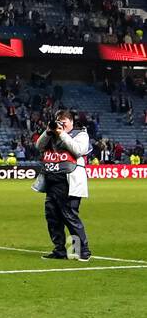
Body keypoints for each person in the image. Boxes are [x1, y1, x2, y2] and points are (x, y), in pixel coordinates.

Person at [35, 110, 91, 261]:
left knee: (70, 217)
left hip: (69, 183)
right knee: (52, 217)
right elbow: (38, 146)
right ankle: (59, 250)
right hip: (52, 182)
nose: (61, 125)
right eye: (59, 122)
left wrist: (62, 134)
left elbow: (79, 150)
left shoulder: (80, 134)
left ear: (71, 122)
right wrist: (47, 132)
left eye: (64, 122)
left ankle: (83, 251)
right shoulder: (51, 136)